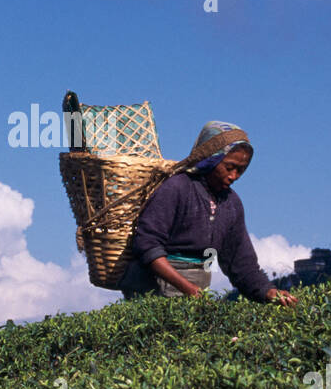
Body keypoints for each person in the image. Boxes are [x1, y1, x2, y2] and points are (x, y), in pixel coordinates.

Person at [119, 121, 297, 306]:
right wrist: (189, 289)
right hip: (152, 288)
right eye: (229, 167)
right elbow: (147, 246)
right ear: (211, 158)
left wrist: (269, 292)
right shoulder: (177, 187)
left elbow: (241, 264)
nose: (234, 176)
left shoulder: (231, 204)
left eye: (241, 170)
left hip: (195, 290)